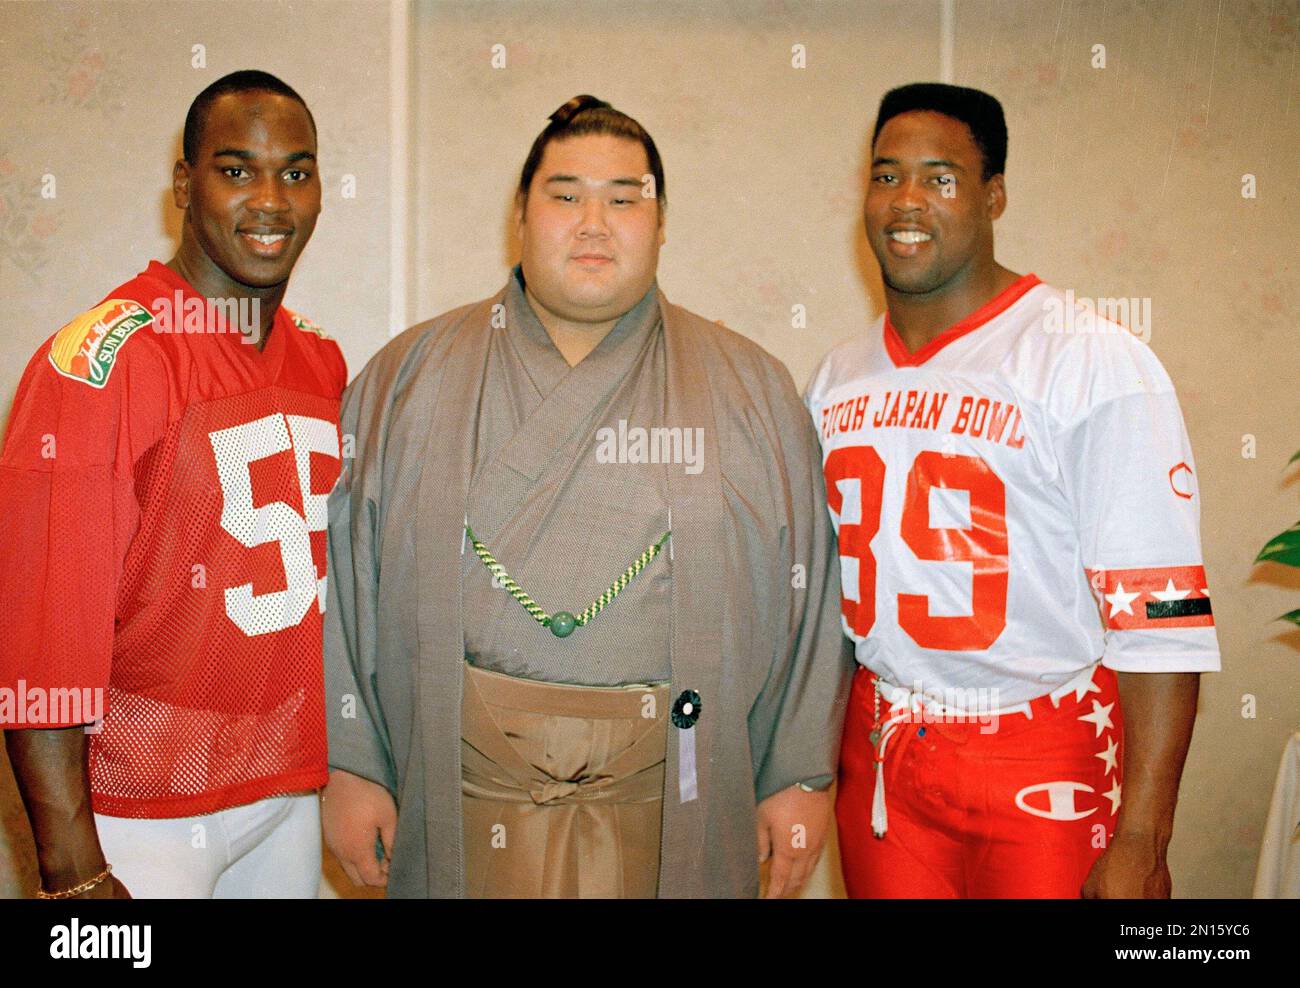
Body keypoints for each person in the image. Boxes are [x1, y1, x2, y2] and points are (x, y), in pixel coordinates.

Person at [321, 95, 852, 898]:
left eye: (624, 198)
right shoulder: (410, 375)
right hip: (454, 796)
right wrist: (349, 763)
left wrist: (798, 777)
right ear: (520, 216)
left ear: (662, 220)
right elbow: (339, 585)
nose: (593, 223)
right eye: (565, 196)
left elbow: (813, 599)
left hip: (682, 796)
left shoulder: (752, 387)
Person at [805, 83, 1221, 898]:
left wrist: (1143, 835)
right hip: (885, 738)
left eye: (941, 177)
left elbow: (1161, 615)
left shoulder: (1088, 358)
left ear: (993, 195)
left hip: (1043, 741)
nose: (907, 200)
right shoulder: (836, 377)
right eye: (886, 176)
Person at [0, 70, 346, 898]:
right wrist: (72, 863)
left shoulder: (320, 357)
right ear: (185, 187)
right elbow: (44, 630)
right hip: (137, 812)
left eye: (296, 172)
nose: (271, 199)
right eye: (237, 170)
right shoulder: (106, 360)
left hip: (282, 793)